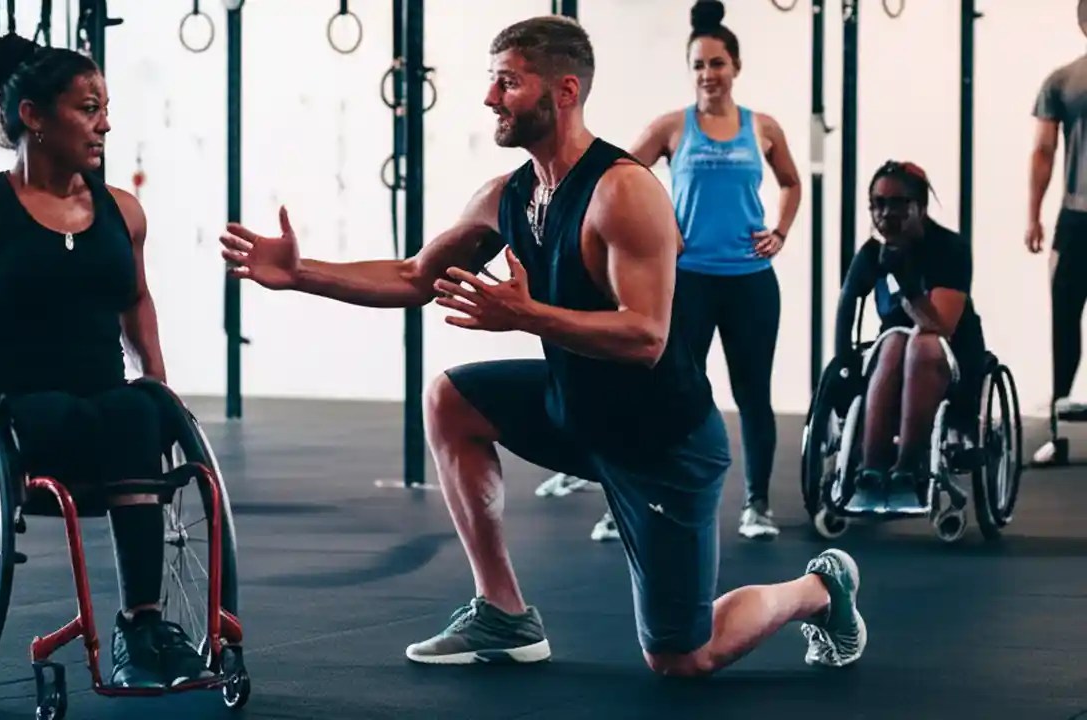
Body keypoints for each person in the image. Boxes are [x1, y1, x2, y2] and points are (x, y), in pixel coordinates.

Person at [222, 15, 864, 675]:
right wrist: (301, 275)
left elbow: (646, 337)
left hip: (662, 443)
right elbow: (416, 276)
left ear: (562, 92)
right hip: (576, 411)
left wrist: (530, 317)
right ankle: (501, 612)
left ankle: (817, 591)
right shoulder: (507, 194)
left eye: (507, 83)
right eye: (492, 83)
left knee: (682, 658)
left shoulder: (623, 192)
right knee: (451, 397)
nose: (490, 99)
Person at [0, 32, 209, 689]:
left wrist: (156, 377)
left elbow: (136, 300)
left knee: (144, 412)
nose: (104, 121)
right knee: (77, 416)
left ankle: (142, 626)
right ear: (33, 117)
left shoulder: (121, 211)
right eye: (87, 107)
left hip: (106, 408)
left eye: (105, 107)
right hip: (15, 414)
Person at [627, 1, 801, 541]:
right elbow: (624, 177)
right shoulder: (672, 127)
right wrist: (663, 229)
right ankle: (660, 496)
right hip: (690, 280)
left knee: (753, 394)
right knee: (677, 390)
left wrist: (781, 231)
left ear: (736, 67)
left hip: (750, 280)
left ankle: (757, 505)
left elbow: (792, 182)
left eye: (718, 63)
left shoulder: (763, 127)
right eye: (699, 65)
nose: (709, 74)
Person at [836, 161, 987, 511]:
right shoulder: (872, 252)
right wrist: (843, 366)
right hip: (896, 352)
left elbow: (941, 327)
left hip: (950, 355)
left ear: (920, 206)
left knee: (919, 342)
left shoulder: (950, 248)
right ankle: (871, 469)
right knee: (892, 343)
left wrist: (904, 281)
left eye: (899, 203)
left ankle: (907, 469)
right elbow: (847, 308)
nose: (887, 213)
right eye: (878, 203)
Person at [1028, 45, 1087, 465]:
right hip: (1076, 218)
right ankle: (1058, 424)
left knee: (1065, 319)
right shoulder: (1061, 81)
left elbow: (1044, 151)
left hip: (1078, 217)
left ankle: (1058, 430)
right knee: (1064, 319)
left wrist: (1034, 217)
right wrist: (1032, 216)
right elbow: (1043, 152)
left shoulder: (1063, 80)